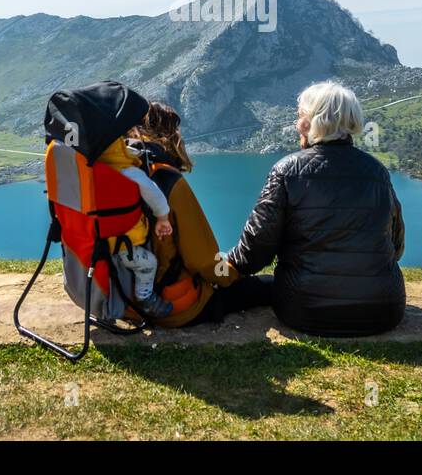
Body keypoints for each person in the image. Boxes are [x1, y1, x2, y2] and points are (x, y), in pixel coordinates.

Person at [226, 81, 405, 336]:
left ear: (313, 122)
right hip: (384, 311)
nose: (297, 124)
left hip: (306, 310)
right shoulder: (377, 172)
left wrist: (223, 267)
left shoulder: (287, 171)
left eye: (300, 116)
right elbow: (396, 245)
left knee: (252, 288)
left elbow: (255, 251)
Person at [132, 102, 273, 327]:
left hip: (127, 301)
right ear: (171, 136)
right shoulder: (169, 182)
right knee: (268, 286)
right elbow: (204, 262)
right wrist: (233, 273)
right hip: (175, 306)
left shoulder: (122, 171)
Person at [94, 130, 174, 317]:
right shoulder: (129, 173)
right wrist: (163, 217)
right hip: (122, 244)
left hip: (95, 240)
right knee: (148, 263)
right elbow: (153, 194)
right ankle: (145, 298)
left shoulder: (88, 169)